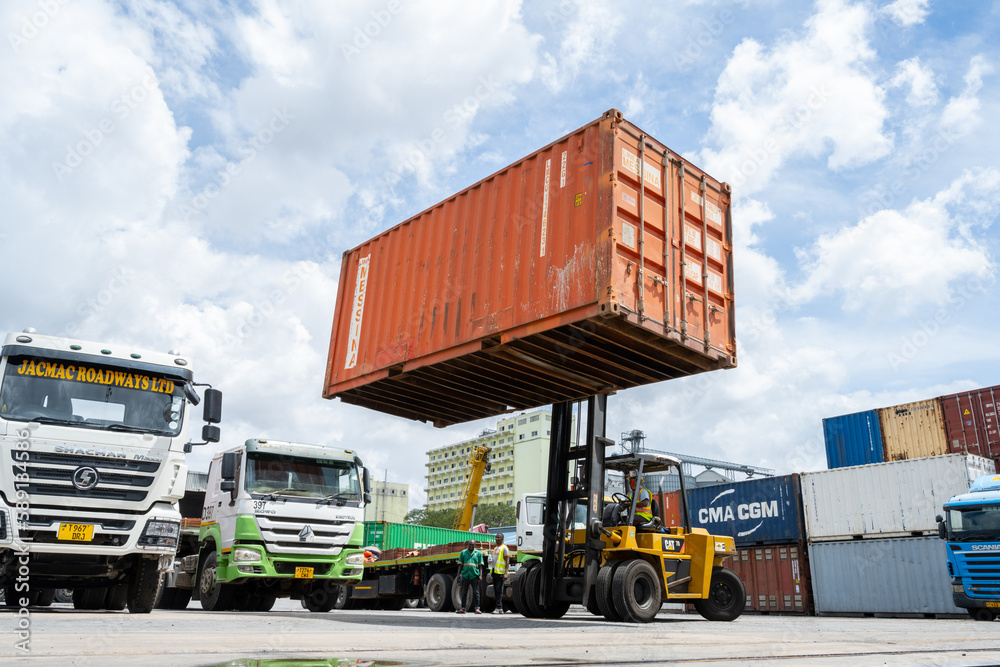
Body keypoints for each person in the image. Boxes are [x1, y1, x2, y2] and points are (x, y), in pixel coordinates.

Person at [456, 540, 484, 614]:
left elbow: (480, 566)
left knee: (476, 592)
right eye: (470, 544)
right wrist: (458, 574)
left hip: (474, 575)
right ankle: (463, 608)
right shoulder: (463, 553)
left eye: (473, 544)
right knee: (464, 592)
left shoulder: (478, 553)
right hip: (465, 575)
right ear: (468, 544)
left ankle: (477, 608)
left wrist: (480, 575)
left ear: (475, 545)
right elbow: (460, 564)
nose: (471, 546)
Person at [490, 533, 511, 614]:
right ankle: (500, 608)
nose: (496, 538)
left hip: (500, 572)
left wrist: (506, 573)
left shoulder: (504, 548)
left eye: (498, 537)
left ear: (502, 538)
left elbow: (507, 561)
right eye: (496, 537)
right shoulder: (495, 548)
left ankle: (499, 607)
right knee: (496, 590)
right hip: (495, 572)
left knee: (499, 590)